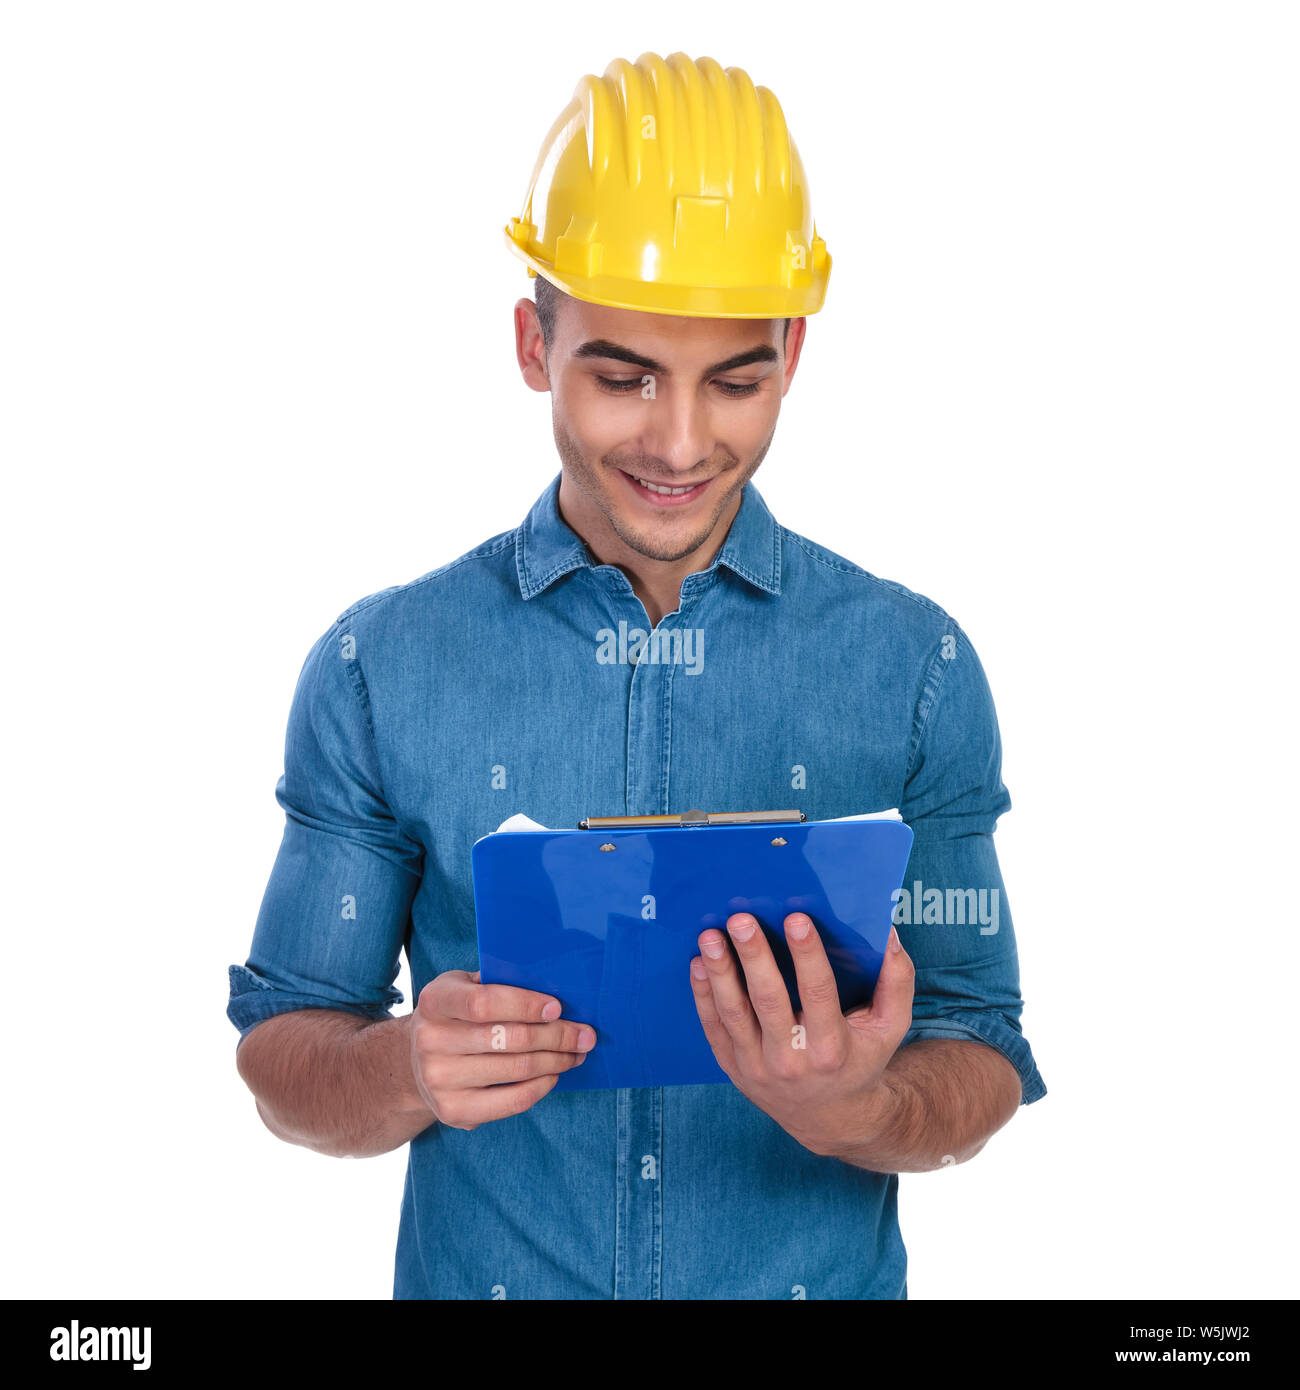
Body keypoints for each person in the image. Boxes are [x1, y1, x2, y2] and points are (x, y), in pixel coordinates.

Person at [228, 50, 1046, 1300]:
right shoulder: (378, 667)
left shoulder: (914, 668)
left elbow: (979, 1044)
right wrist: (404, 1068)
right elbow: (287, 1045)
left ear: (794, 351)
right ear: (530, 341)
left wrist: (857, 1108)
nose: (678, 442)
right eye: (621, 377)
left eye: (736, 380)